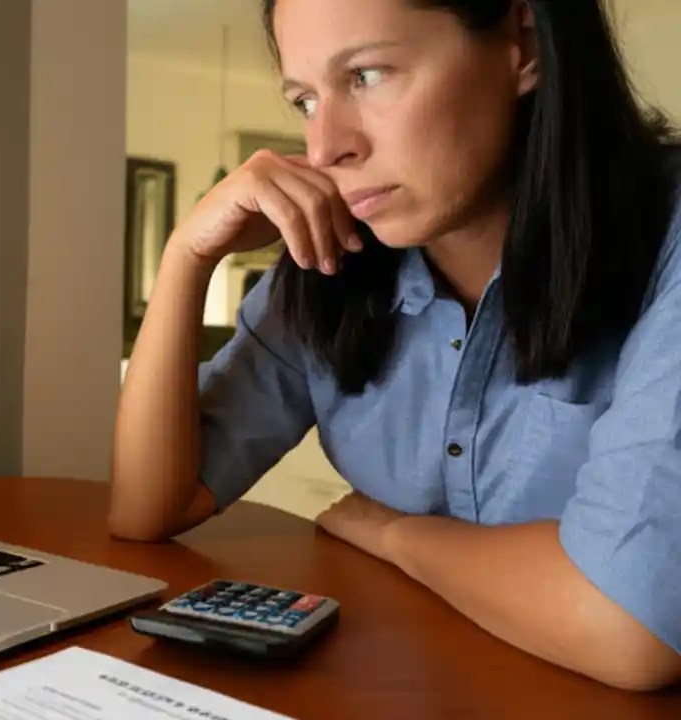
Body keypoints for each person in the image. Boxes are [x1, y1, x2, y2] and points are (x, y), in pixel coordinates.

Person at [109, 0, 681, 691]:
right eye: (305, 99)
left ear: (524, 46)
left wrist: (394, 534)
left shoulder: (666, 244)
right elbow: (147, 508)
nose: (325, 148)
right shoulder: (332, 270)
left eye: (368, 75)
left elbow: (631, 627)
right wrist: (186, 256)